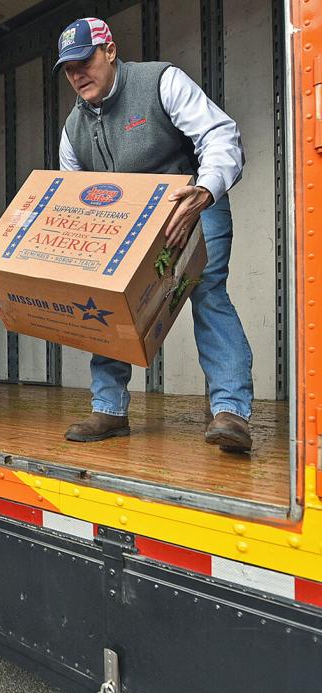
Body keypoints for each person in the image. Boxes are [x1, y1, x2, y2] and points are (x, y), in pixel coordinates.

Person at [55, 17, 254, 452]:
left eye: (84, 61)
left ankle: (231, 412)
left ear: (110, 51)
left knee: (208, 293)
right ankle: (109, 408)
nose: (77, 74)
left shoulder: (162, 81)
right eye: (68, 68)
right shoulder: (72, 132)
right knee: (103, 300)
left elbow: (219, 134)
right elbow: (73, 198)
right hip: (126, 222)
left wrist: (205, 190)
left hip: (192, 203)